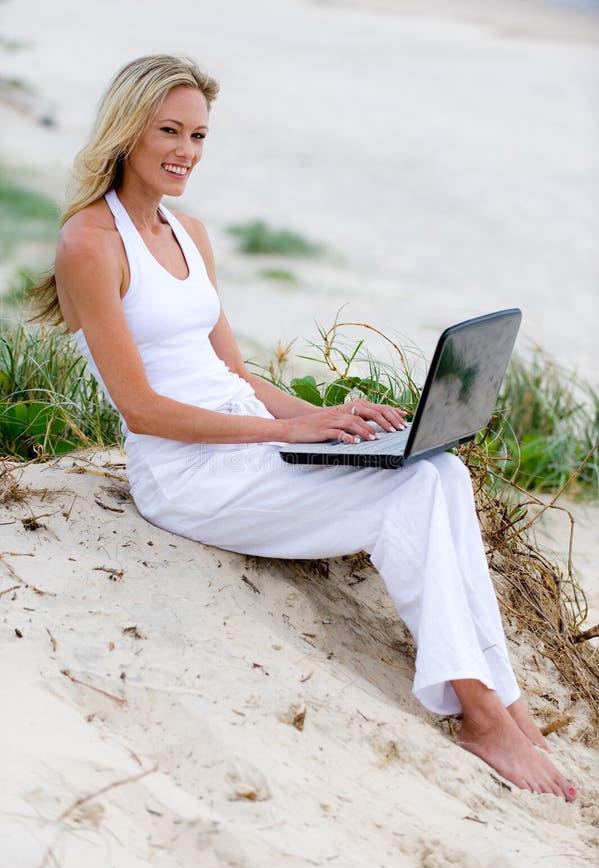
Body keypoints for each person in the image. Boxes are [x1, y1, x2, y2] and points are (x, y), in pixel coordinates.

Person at [32, 54, 575, 801]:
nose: (185, 151)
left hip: (245, 442)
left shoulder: (189, 233)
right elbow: (142, 411)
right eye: (169, 131)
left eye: (197, 135)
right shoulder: (89, 243)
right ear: (128, 131)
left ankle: (508, 704)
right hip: (185, 474)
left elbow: (234, 376)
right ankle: (480, 716)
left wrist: (328, 417)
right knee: (407, 496)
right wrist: (287, 433)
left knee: (440, 472)